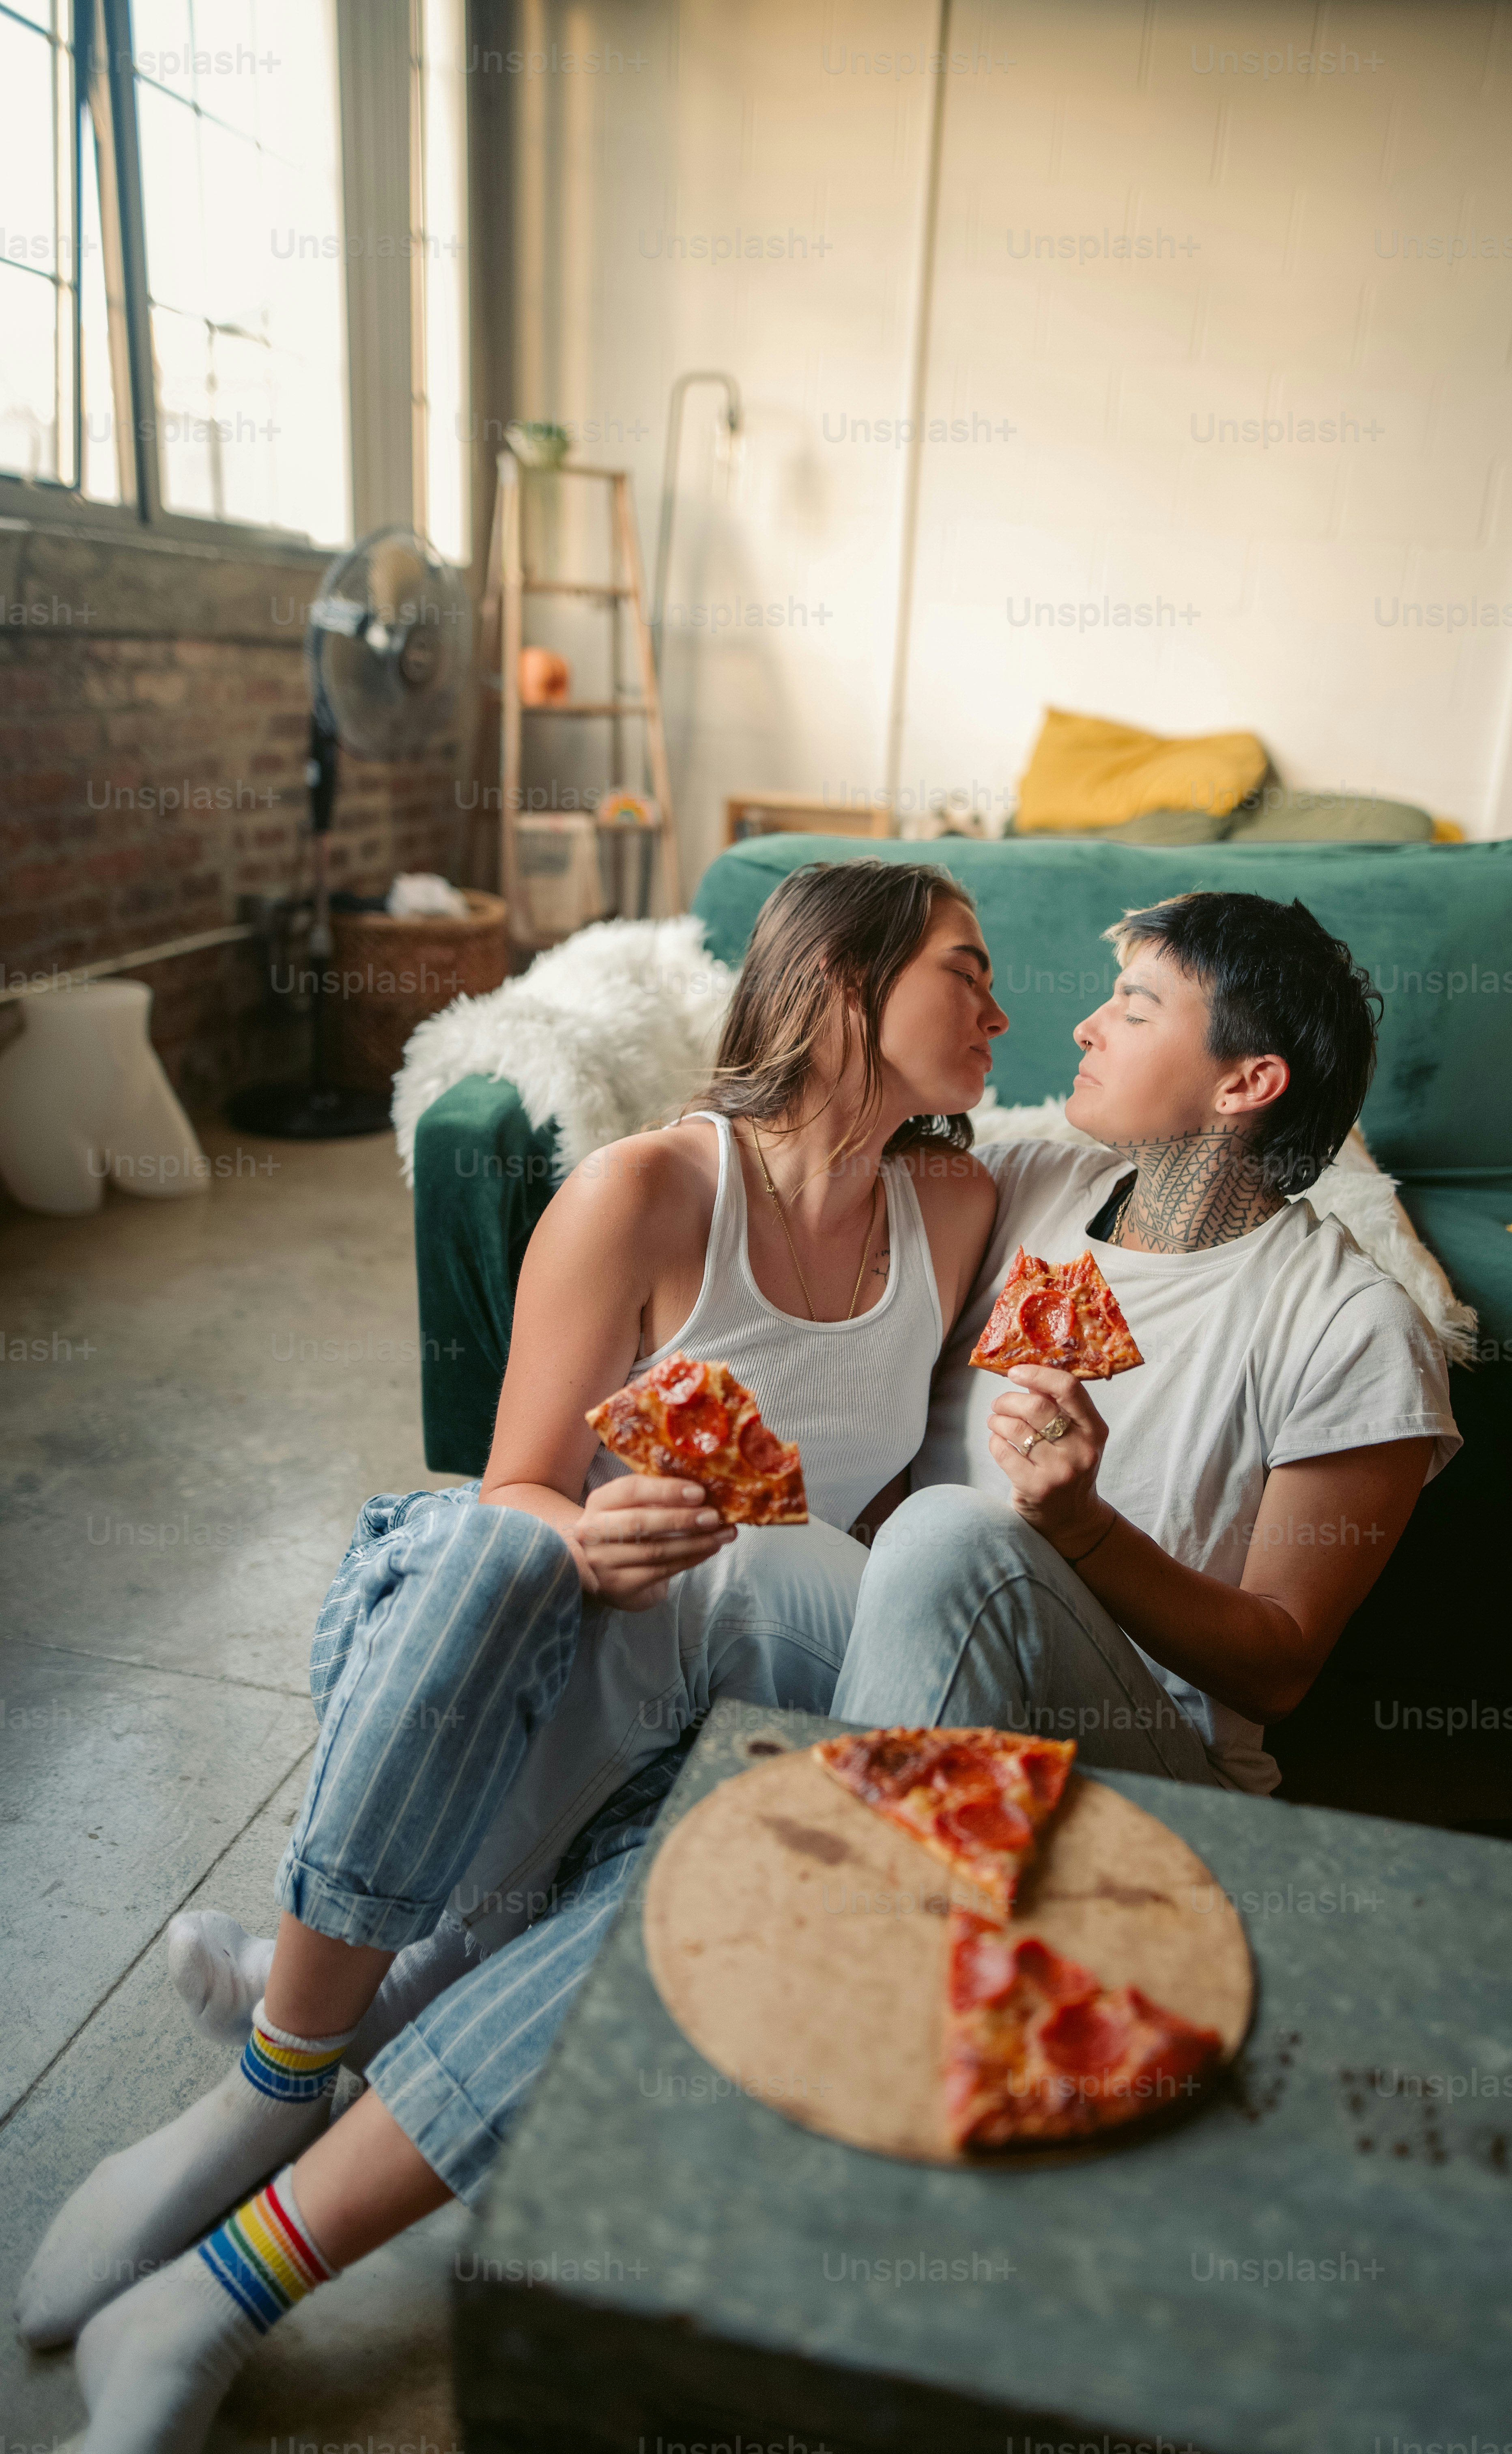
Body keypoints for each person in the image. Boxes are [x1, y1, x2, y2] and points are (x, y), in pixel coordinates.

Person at [16, 859, 1005, 2452]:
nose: (999, 1006)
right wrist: (589, 1538)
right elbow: (521, 1483)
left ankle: (249, 2205)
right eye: (968, 968)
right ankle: (271, 2094)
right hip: (581, 1656)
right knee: (492, 1545)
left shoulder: (956, 1207)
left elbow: (873, 1502)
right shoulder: (642, 1192)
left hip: (752, 1696)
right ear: (841, 989)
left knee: (741, 1811)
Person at [832, 887, 1461, 1785]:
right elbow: (813, 1168)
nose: (1087, 1029)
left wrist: (1082, 1527)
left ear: (1244, 1083)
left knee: (949, 1532)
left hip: (1147, 1761)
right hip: (900, 1665)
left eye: (1132, 1008)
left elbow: (1279, 1666)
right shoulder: (1010, 1190)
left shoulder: (1353, 1328)